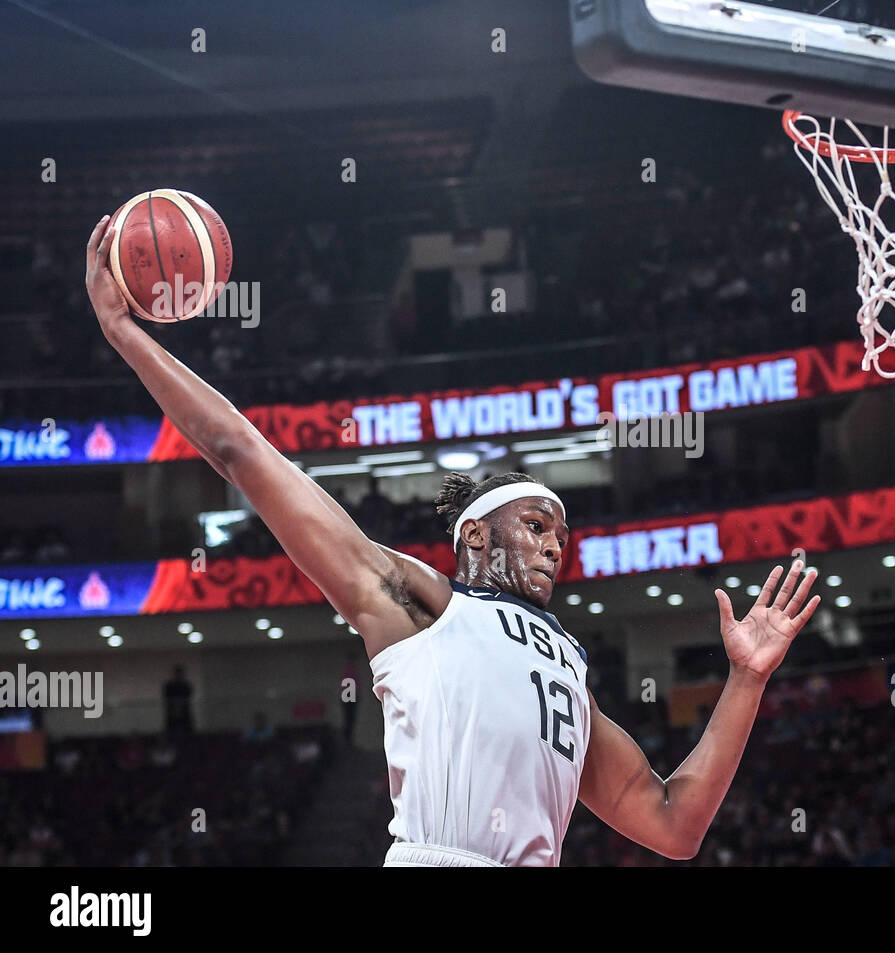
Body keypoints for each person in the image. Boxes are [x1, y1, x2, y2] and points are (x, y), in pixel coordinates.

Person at [84, 219, 821, 867]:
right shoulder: (419, 604)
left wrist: (747, 681)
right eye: (535, 525)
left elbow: (674, 826)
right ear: (474, 533)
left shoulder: (565, 670)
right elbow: (239, 451)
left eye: (560, 535)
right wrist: (126, 334)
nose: (553, 546)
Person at [162, 665, 194, 736]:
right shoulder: (169, 686)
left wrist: (180, 703)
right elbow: (167, 698)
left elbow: (187, 697)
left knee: (186, 730)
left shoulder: (186, 685)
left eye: (180, 674)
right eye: (178, 673)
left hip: (183, 712)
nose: (179, 676)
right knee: (172, 729)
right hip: (173, 712)